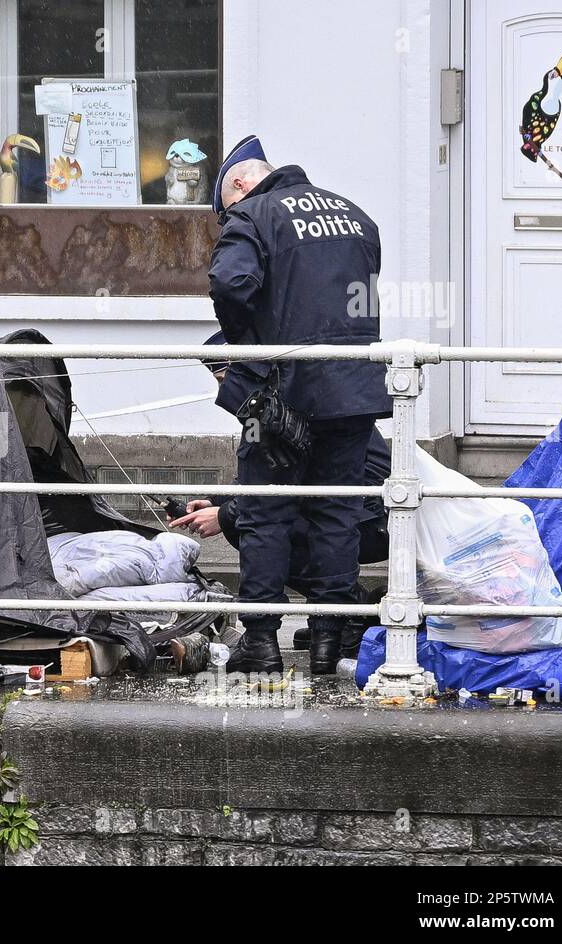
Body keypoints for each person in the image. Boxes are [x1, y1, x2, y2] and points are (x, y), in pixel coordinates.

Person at [205, 135, 391, 675]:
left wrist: (248, 352)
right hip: (354, 393)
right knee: (337, 511)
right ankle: (329, 644)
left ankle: (260, 640)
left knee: (265, 510)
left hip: (281, 395)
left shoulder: (254, 214)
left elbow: (229, 282)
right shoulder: (356, 215)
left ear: (238, 185)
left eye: (225, 211)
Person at [170, 332, 390, 656]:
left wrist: (226, 514)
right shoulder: (289, 395)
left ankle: (347, 613)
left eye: (225, 378)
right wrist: (216, 502)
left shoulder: (282, 404)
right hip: (356, 511)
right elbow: (269, 472)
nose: (224, 391)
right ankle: (330, 617)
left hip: (371, 518)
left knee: (255, 527)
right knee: (258, 521)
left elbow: (284, 488)